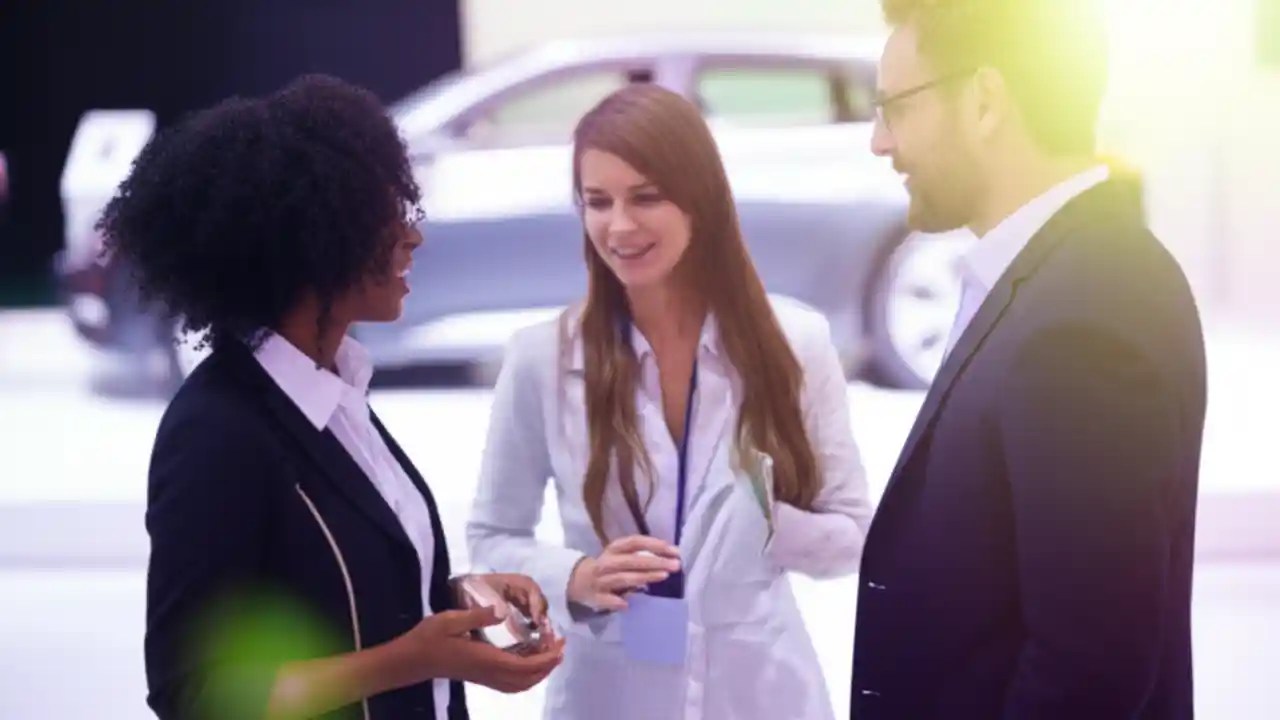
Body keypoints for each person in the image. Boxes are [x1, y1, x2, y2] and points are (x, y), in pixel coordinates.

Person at [98, 75, 564, 720]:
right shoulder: (216, 432)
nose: (413, 235)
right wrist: (417, 658)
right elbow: (193, 694)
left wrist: (464, 601)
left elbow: (341, 595)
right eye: (383, 216)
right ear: (310, 237)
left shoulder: (337, 392)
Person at [466, 83, 874, 720]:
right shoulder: (541, 358)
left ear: (700, 202)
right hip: (609, 690)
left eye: (646, 197)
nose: (619, 226)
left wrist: (762, 528)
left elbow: (853, 536)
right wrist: (575, 576)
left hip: (759, 690)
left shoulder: (796, 343)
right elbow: (492, 537)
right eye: (597, 202)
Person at [852, 1, 1207, 718]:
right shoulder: (1066, 272)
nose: (879, 141)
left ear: (985, 100)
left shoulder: (1085, 314)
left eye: (896, 107)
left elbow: (1089, 670)